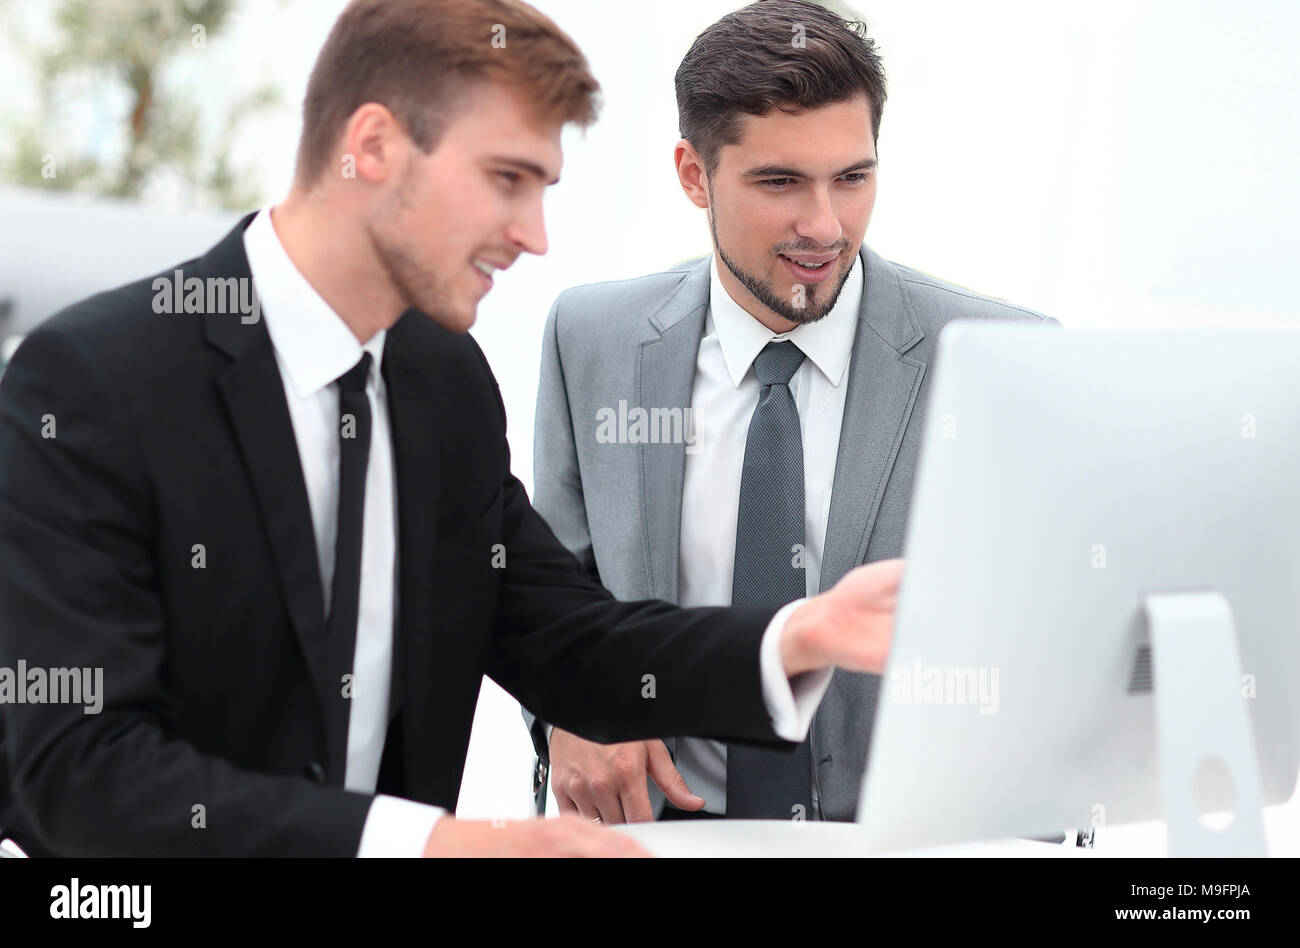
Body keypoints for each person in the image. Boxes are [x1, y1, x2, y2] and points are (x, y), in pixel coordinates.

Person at [0, 0, 902, 858]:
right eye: (507, 179)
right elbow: (81, 772)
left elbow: (572, 645)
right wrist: (432, 844)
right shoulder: (92, 383)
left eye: (542, 188)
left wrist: (802, 636)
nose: (535, 235)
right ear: (375, 146)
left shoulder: (442, 383)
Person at [525, 0, 1057, 824]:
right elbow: (550, 604)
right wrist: (565, 712)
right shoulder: (591, 338)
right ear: (693, 173)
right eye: (779, 182)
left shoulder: (1000, 359)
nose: (824, 226)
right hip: (655, 840)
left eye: (853, 177)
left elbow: (1050, 647)